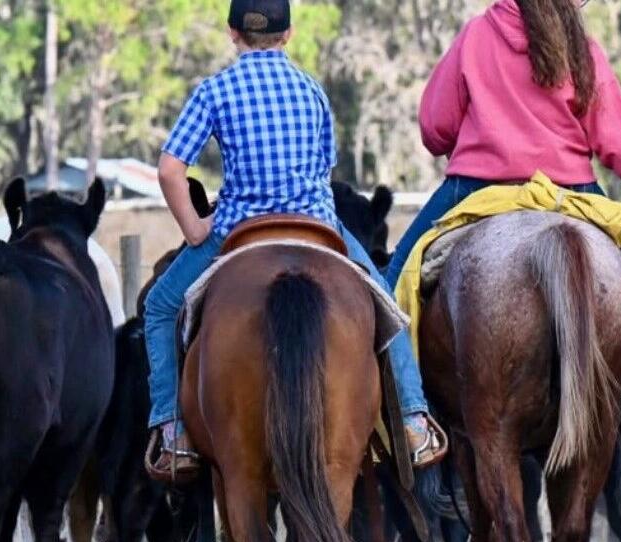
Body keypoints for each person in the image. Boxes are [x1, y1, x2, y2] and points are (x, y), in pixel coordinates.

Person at [144, 0, 445, 483]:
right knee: (385, 300)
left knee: (159, 307)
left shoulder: (214, 91)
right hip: (316, 224)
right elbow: (324, 170)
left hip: (239, 229)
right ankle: (412, 420)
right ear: (288, 36)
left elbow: (169, 169)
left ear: (232, 33)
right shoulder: (312, 90)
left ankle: (173, 431)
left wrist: (196, 230)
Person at [384, 0, 621, 416]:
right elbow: (617, 137)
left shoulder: (476, 36)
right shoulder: (580, 44)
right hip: (569, 187)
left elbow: (437, 127)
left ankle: (401, 400)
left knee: (395, 275)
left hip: (477, 184)